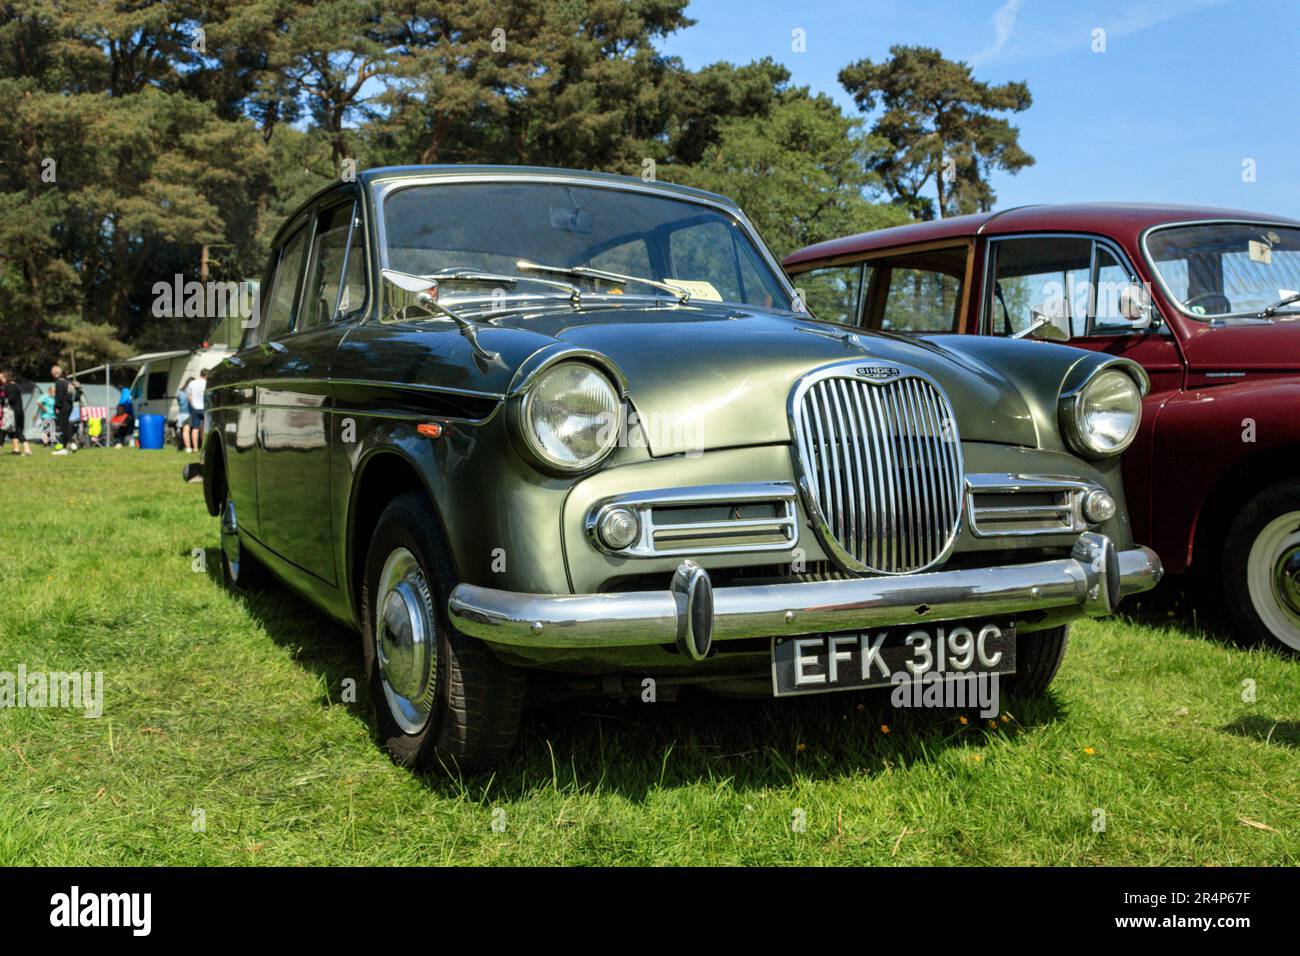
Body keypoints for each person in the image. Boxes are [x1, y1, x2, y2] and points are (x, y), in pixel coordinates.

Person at [50, 365, 81, 455]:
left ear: (54, 373)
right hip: (69, 405)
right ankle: (68, 446)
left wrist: (57, 406)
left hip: (63, 406)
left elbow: (59, 396)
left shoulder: (59, 382)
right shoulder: (66, 381)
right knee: (66, 425)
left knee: (64, 426)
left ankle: (70, 445)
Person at [0, 371, 32, 456]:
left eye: (2, 378)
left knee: (10, 430)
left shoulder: (9, 386)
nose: (1, 380)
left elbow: (10, 399)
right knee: (15, 431)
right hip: (19, 411)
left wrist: (2, 400)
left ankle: (27, 449)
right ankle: (16, 449)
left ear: (7, 378)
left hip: (12, 412)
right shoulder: (15, 386)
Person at [185, 369, 207, 453]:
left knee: (195, 428)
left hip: (195, 408)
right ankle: (204, 447)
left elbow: (189, 397)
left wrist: (193, 405)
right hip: (205, 408)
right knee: (204, 429)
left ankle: (195, 448)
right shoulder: (206, 383)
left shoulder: (192, 383)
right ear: (206, 375)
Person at [177, 377, 192, 452]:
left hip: (181, 413)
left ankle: (181, 446)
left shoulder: (180, 391)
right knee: (186, 431)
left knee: (182, 431)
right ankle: (188, 447)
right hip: (188, 412)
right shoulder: (190, 392)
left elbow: (178, 401)